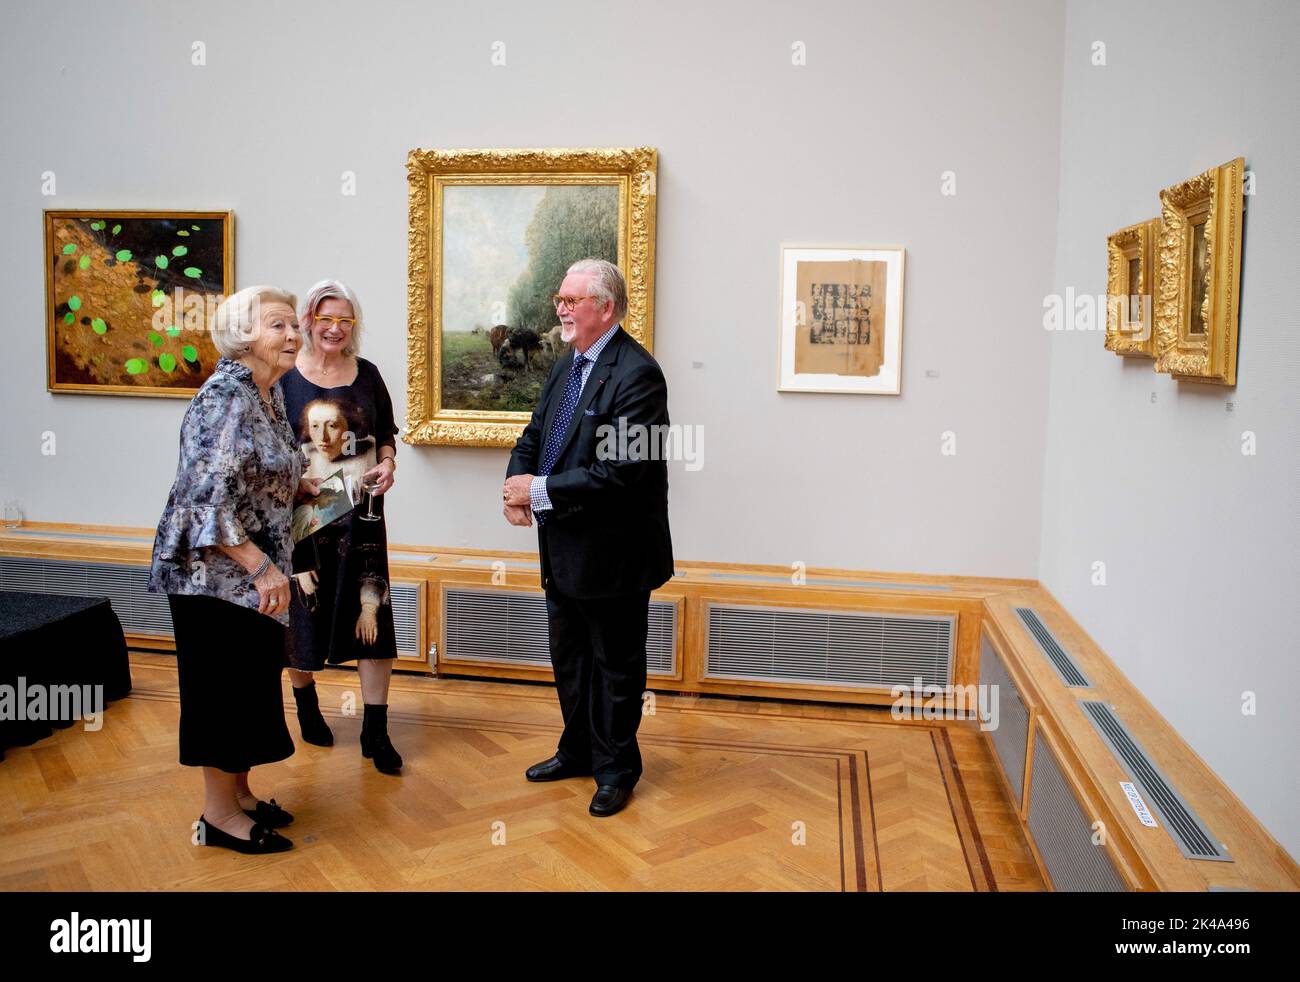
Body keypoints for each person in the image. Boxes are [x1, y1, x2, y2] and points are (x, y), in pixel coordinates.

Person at [503, 258, 674, 818]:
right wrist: (514, 485)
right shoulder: (567, 364)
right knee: (571, 659)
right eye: (560, 298)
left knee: (616, 668)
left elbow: (623, 472)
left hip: (615, 553)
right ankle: (576, 751)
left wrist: (539, 491)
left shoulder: (639, 374)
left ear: (605, 308)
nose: (561, 308)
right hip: (563, 548)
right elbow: (534, 434)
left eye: (572, 300)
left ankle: (616, 769)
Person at [148, 285, 316, 855]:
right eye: (279, 326)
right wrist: (262, 568)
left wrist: (300, 485)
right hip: (216, 578)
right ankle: (217, 817)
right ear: (244, 336)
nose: (294, 335)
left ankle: (240, 794)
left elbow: (254, 474)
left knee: (248, 685)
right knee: (221, 692)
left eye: (295, 325)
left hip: (249, 574)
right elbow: (202, 503)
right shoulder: (225, 397)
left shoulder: (266, 393)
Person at [280, 279, 403, 774]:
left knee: (371, 614)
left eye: (344, 320)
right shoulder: (284, 376)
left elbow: (388, 434)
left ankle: (376, 729)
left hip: (363, 516)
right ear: (309, 320)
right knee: (302, 614)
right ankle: (306, 703)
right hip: (302, 517)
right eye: (326, 318)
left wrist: (390, 464)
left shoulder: (367, 374)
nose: (335, 328)